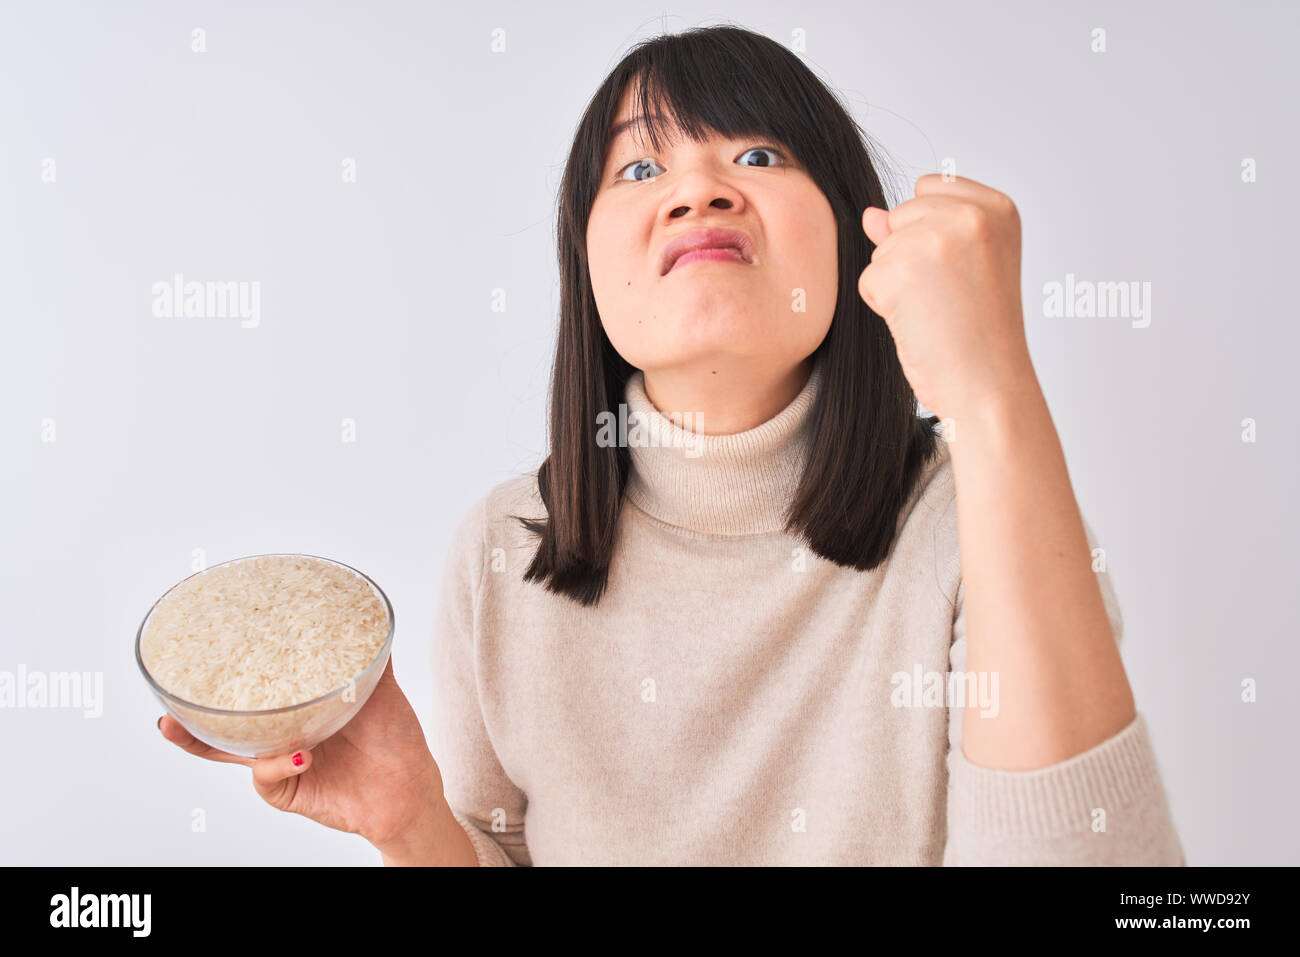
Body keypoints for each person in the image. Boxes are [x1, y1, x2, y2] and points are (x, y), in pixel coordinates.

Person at [159, 24, 1185, 866]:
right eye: (641, 165)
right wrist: (413, 824)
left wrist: (993, 391)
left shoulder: (975, 515)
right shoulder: (503, 550)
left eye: (757, 155)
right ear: (587, 269)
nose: (699, 191)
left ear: (852, 230)